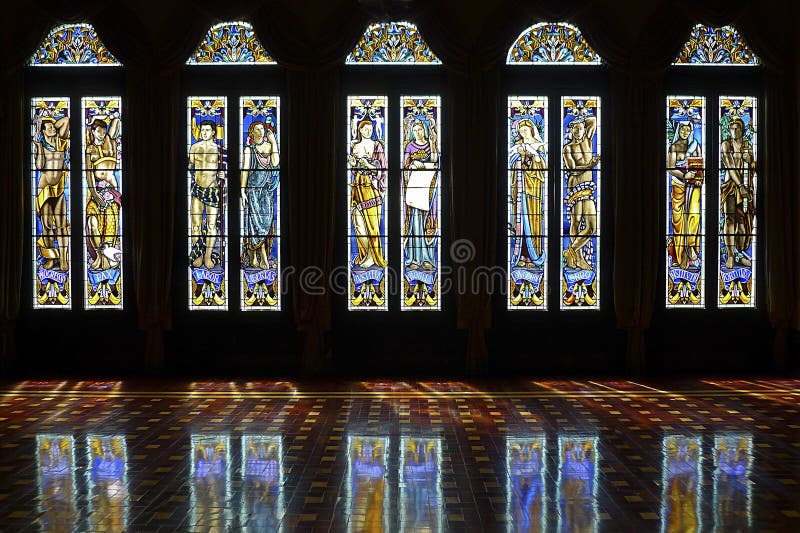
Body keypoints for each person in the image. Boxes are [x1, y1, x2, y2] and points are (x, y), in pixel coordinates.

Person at [562, 115, 600, 272]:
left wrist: (581, 116)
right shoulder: (568, 148)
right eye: (574, 128)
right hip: (575, 186)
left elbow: (594, 120)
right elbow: (572, 170)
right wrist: (590, 165)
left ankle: (571, 251)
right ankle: (579, 260)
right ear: (571, 131)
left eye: (580, 128)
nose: (578, 131)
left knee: (592, 227)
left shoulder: (588, 140)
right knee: (576, 222)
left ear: (585, 129)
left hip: (588, 187)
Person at [85, 114, 122, 271]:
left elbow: (117, 119)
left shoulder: (110, 141)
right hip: (97, 192)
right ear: (92, 131)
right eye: (98, 131)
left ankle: (106, 260)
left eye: (103, 130)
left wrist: (100, 116)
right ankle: (98, 257)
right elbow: (88, 173)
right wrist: (94, 194)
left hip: (112, 192)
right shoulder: (90, 149)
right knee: (92, 223)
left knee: (110, 227)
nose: (101, 133)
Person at [33, 114, 70, 272]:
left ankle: (63, 258)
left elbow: (66, 120)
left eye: (53, 126)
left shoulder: (60, 142)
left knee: (61, 226)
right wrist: (38, 146)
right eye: (48, 127)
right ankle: (50, 258)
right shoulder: (40, 144)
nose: (52, 128)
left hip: (59, 187)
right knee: (47, 225)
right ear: (42, 132)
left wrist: (46, 119)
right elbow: (40, 166)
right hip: (45, 188)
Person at [241, 120, 279, 270]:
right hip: (252, 192)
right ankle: (258, 255)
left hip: (266, 193)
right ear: (251, 132)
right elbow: (244, 171)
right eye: (257, 129)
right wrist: (242, 190)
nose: (260, 131)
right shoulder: (249, 150)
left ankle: (256, 254)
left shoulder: (269, 147)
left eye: (262, 128)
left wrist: (274, 141)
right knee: (253, 226)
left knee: (265, 224)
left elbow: (275, 163)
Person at [349, 120, 387, 269]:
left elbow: (382, 169)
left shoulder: (377, 146)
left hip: (372, 187)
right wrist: (354, 164)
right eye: (365, 129)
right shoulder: (355, 147)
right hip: (358, 186)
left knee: (372, 225)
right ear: (360, 130)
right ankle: (365, 254)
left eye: (370, 129)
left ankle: (373, 256)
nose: (368, 131)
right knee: (358, 224)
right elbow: (354, 170)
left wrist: (368, 164)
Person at [510, 118, 547, 268]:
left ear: (532, 130)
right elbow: (511, 163)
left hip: (534, 190)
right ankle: (521, 256)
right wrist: (516, 156)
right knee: (520, 224)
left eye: (525, 130)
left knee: (533, 222)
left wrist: (532, 153)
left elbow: (542, 166)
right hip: (520, 189)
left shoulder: (540, 146)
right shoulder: (518, 146)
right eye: (520, 131)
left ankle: (534, 256)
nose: (522, 133)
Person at [189, 119, 225, 270]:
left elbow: (225, 169)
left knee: (211, 225)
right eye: (202, 130)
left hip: (213, 190)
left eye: (207, 130)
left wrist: (223, 176)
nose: (204, 133)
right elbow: (190, 166)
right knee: (195, 224)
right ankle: (198, 255)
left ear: (213, 132)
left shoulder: (219, 149)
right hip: (197, 189)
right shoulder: (194, 147)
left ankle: (208, 256)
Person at [402, 118, 438, 270]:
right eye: (415, 130)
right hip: (414, 188)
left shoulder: (430, 144)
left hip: (428, 188)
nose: (418, 132)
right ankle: (413, 259)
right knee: (415, 224)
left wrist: (434, 144)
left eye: (420, 129)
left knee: (426, 222)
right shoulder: (409, 146)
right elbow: (404, 165)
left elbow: (436, 160)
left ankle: (427, 258)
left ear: (425, 130)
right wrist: (412, 164)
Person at [720, 116, 755, 269]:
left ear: (742, 130)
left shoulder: (747, 146)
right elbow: (730, 166)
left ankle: (740, 253)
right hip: (731, 186)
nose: (734, 131)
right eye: (732, 129)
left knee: (742, 224)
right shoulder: (726, 145)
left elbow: (753, 168)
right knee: (729, 220)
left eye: (737, 128)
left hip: (746, 186)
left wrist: (751, 161)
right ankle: (730, 255)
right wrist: (740, 186)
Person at [668, 120, 703, 269]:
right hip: (679, 186)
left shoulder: (695, 145)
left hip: (694, 185)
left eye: (687, 130)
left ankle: (691, 249)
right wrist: (684, 176)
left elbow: (700, 164)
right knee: (679, 221)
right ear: (678, 130)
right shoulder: (674, 147)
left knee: (694, 216)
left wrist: (698, 178)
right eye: (682, 129)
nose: (685, 132)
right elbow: (670, 168)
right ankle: (680, 254)